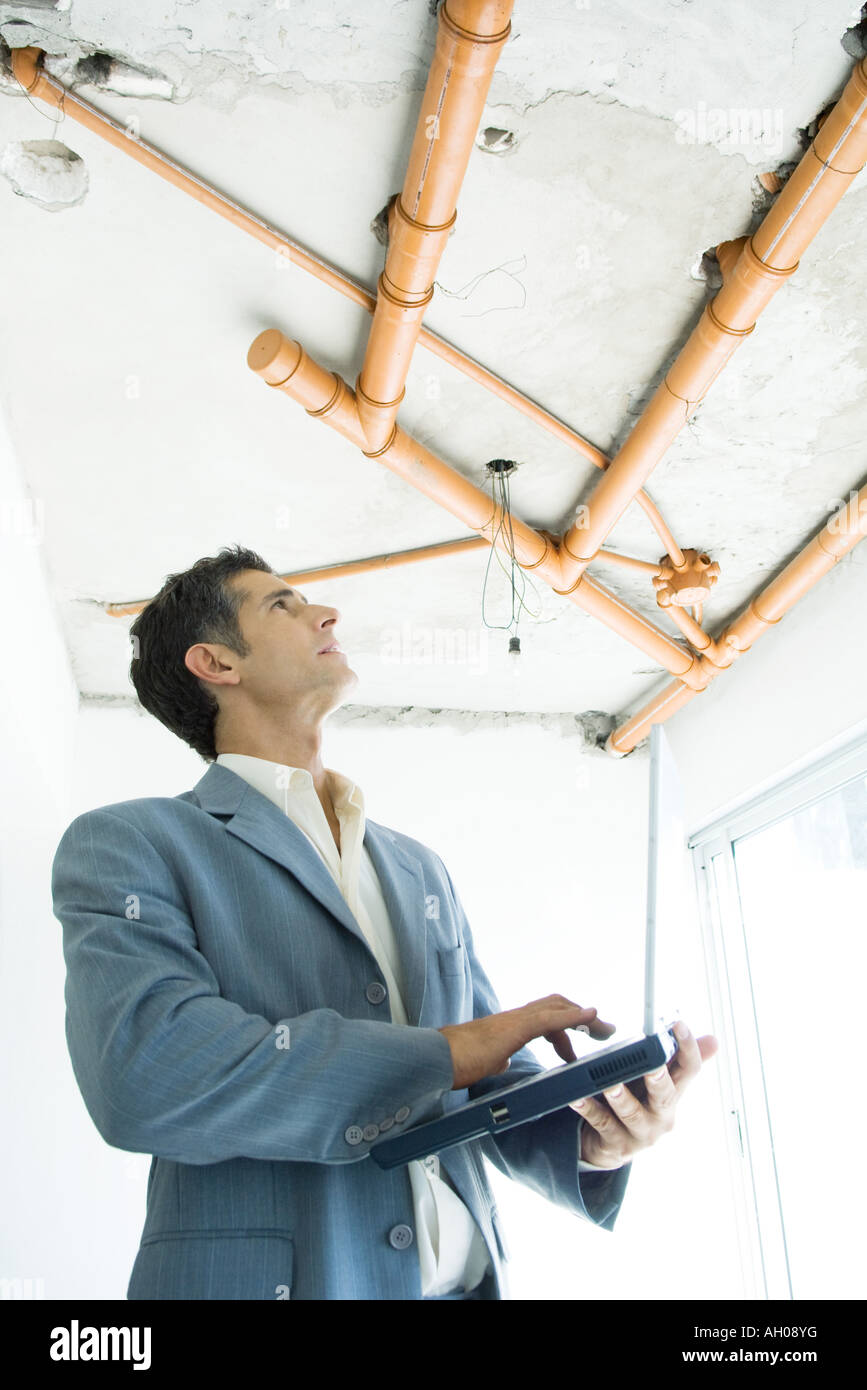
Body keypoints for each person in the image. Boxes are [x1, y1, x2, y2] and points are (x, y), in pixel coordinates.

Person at [51, 544, 717, 1300]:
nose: (327, 614)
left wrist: (592, 1142)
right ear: (215, 664)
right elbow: (150, 1077)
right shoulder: (130, 842)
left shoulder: (415, 866)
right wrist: (453, 1049)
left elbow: (483, 1082)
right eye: (282, 605)